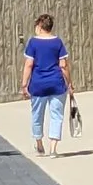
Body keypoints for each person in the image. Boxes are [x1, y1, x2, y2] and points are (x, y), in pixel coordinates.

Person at [20, 11, 73, 157]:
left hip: (38, 85)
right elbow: (63, 65)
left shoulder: (33, 42)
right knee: (56, 116)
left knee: (37, 115)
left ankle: (39, 143)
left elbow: (29, 65)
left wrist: (24, 84)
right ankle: (53, 148)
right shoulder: (58, 42)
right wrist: (69, 83)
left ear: (39, 26)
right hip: (57, 83)